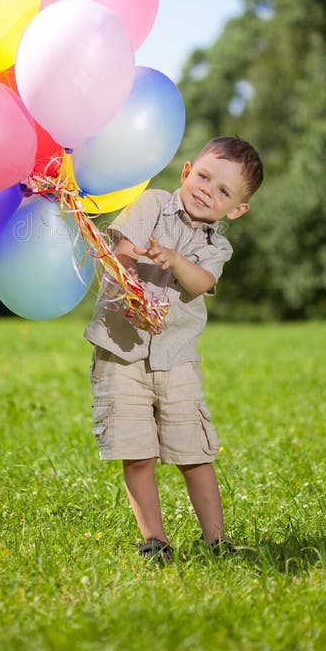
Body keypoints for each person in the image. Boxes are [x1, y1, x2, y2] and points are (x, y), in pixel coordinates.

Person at [84, 136, 264, 562]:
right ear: (187, 172)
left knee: (195, 454)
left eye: (224, 191)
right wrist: (136, 298)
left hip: (176, 359)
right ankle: (154, 541)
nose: (207, 190)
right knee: (137, 452)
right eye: (203, 176)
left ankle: (216, 541)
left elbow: (201, 281)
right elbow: (124, 254)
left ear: (236, 210)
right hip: (121, 352)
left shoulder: (217, 245)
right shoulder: (151, 205)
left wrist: (174, 259)